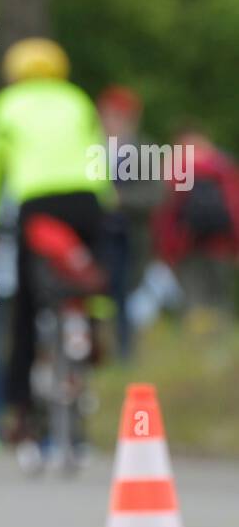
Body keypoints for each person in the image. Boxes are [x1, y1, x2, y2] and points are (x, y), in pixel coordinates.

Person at [0, 39, 114, 449]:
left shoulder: (8, 105)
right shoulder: (77, 100)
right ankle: (95, 321)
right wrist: (106, 206)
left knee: (28, 306)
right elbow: (98, 154)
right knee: (90, 273)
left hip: (40, 204)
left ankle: (22, 405)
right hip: (88, 201)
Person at [95, 86, 164, 358]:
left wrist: (119, 199)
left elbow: (155, 195)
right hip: (96, 235)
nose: (111, 121)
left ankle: (125, 353)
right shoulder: (88, 146)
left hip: (128, 236)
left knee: (125, 297)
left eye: (118, 115)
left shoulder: (143, 150)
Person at [153, 124, 239, 319]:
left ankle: (196, 346)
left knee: (192, 303)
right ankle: (220, 345)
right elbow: (235, 208)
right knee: (220, 300)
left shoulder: (173, 167)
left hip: (185, 245)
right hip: (221, 244)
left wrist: (165, 252)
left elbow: (164, 214)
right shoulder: (223, 166)